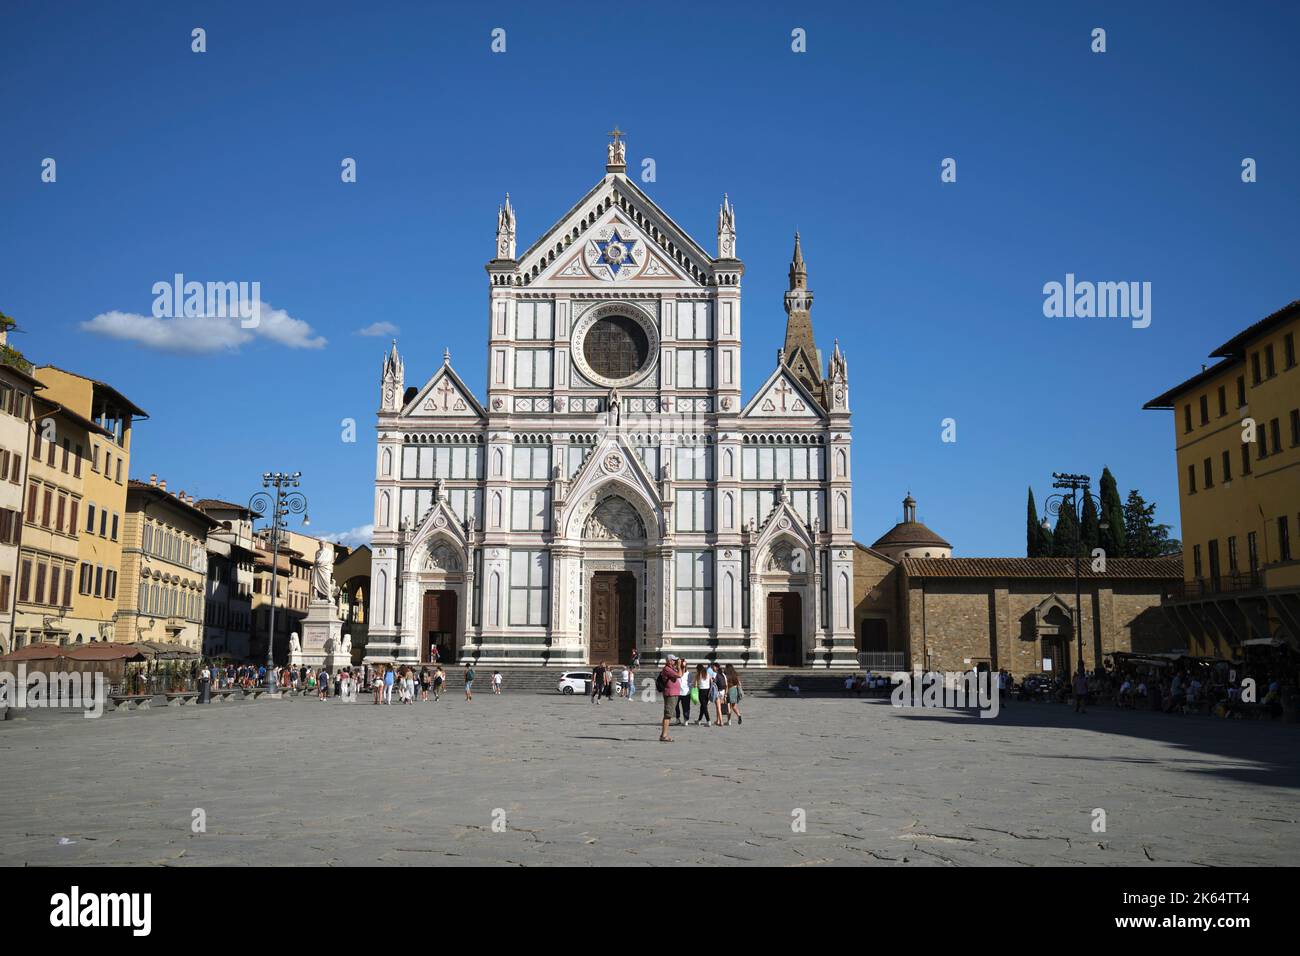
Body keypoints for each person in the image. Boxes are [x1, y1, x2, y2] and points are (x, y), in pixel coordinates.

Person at [658, 655, 684, 742]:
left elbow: (681, 674)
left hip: (674, 694)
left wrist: (682, 666)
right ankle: (664, 736)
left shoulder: (672, 668)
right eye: (674, 660)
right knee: (668, 715)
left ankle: (663, 734)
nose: (675, 661)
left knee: (669, 715)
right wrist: (679, 666)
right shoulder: (667, 669)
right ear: (669, 661)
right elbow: (679, 675)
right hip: (670, 694)